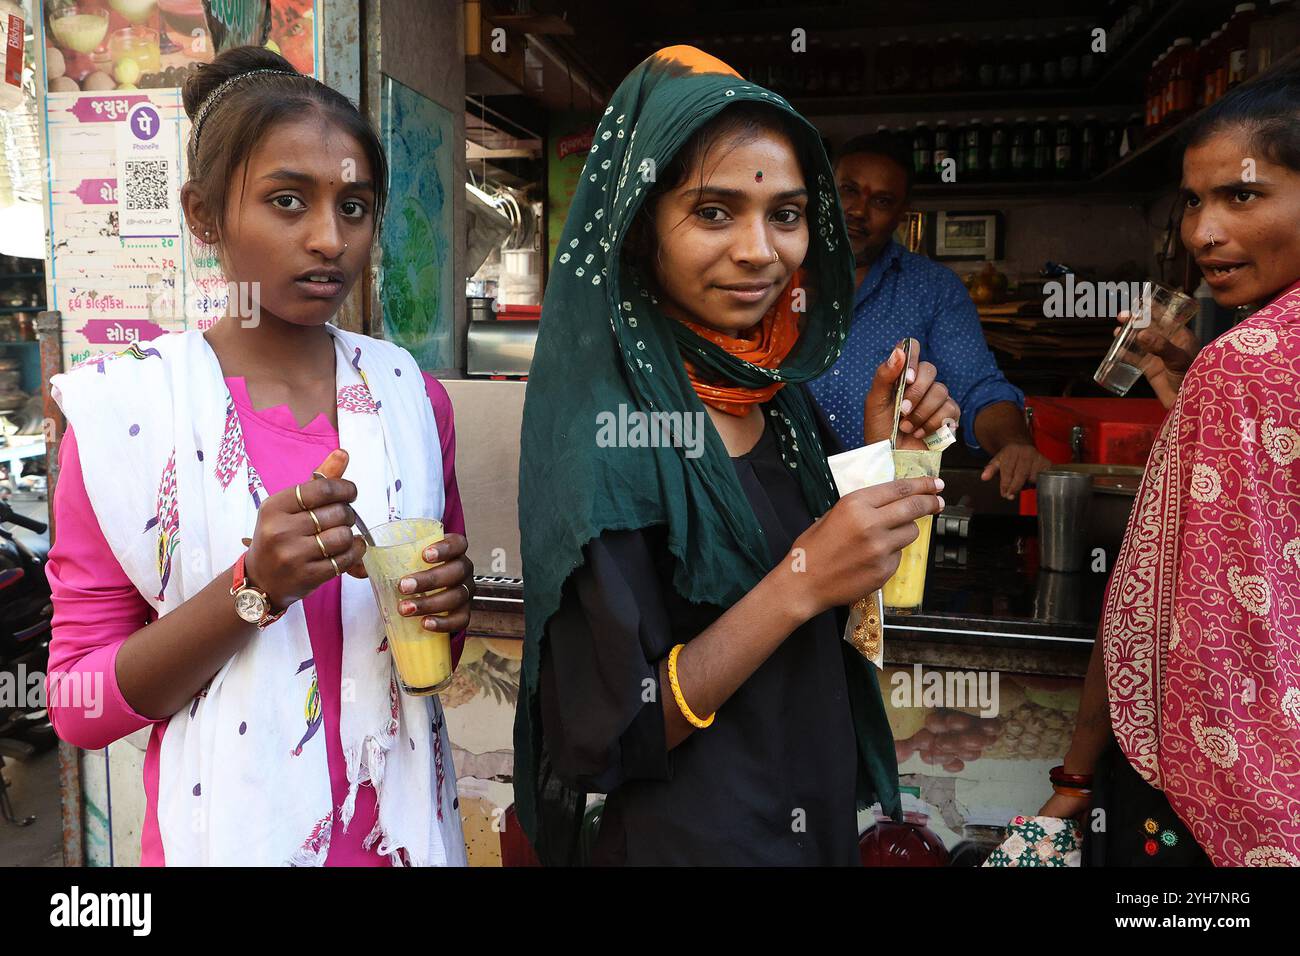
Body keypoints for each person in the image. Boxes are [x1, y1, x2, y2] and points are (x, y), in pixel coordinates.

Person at [513, 47, 958, 866]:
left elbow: (852, 605)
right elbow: (608, 734)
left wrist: (876, 456)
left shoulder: (775, 399)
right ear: (642, 226)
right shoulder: (610, 438)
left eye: (785, 215)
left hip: (807, 820)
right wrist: (798, 581)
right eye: (714, 212)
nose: (761, 251)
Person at [44, 47, 473, 866]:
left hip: (405, 838)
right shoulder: (127, 417)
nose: (329, 238)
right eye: (288, 201)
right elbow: (76, 706)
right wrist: (252, 590)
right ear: (203, 216)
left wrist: (447, 606)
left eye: (355, 207)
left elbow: (427, 661)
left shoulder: (409, 399)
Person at [1042, 64, 1300, 867]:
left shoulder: (1244, 365)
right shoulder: (1237, 366)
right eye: (1195, 200)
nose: (1202, 233)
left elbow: (1149, 608)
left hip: (1216, 791)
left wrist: (1075, 775)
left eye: (1242, 196)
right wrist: (1192, 411)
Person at [808, 132, 1051, 500]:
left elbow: (979, 389)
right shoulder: (777, 274)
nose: (858, 210)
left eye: (882, 200)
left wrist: (1013, 443)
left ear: (902, 214)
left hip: (883, 502)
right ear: (826, 190)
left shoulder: (933, 289)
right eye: (848, 190)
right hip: (778, 498)